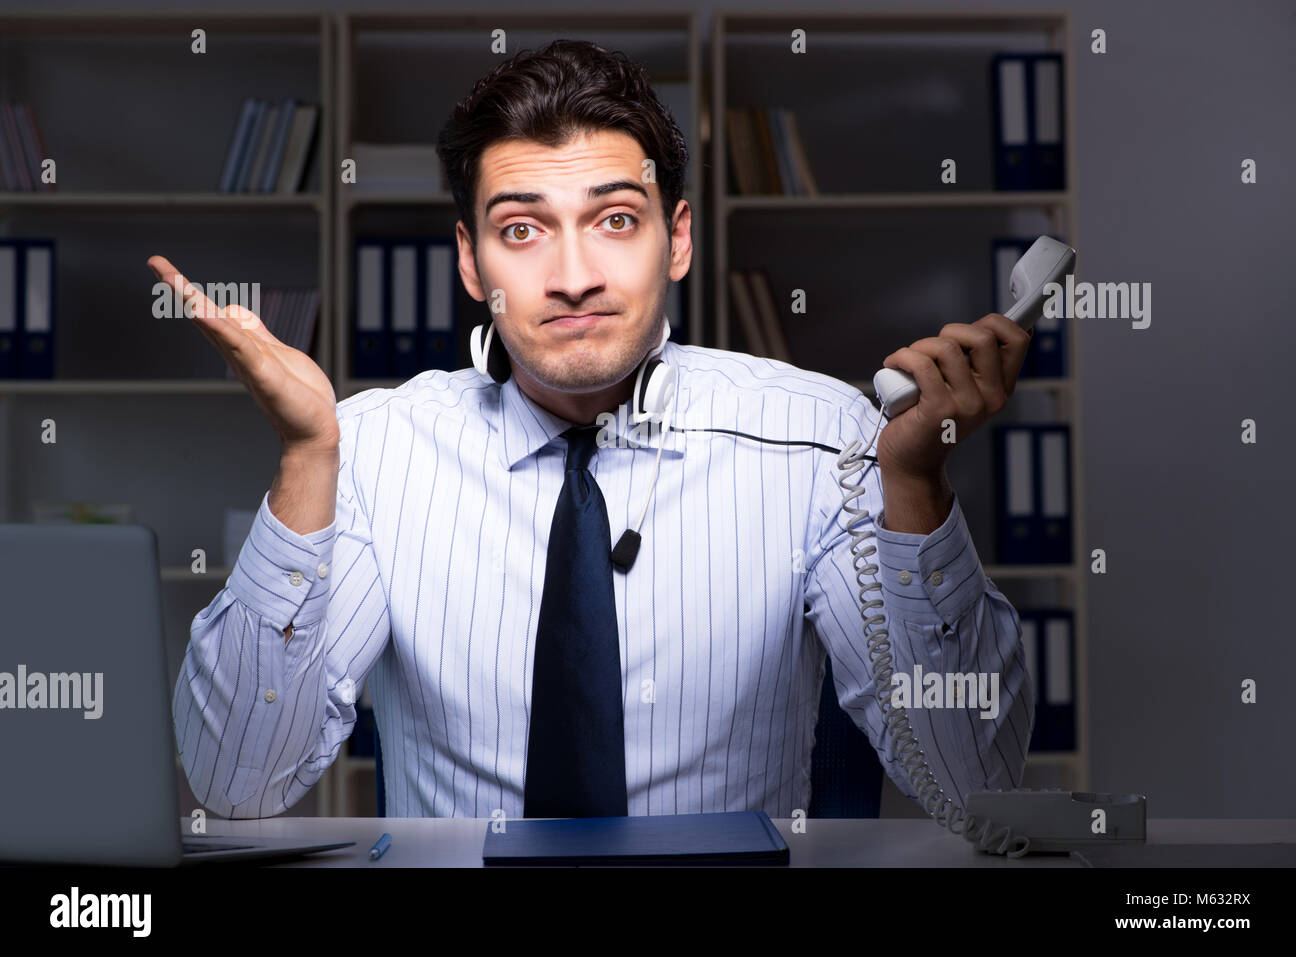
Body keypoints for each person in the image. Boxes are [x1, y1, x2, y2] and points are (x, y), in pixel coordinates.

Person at [162, 39, 1034, 820]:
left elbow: (972, 782)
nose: (573, 276)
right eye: (523, 229)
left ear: (677, 238)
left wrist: (915, 491)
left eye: (615, 220)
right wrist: (309, 456)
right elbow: (238, 781)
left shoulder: (827, 438)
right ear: (470, 261)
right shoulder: (372, 448)